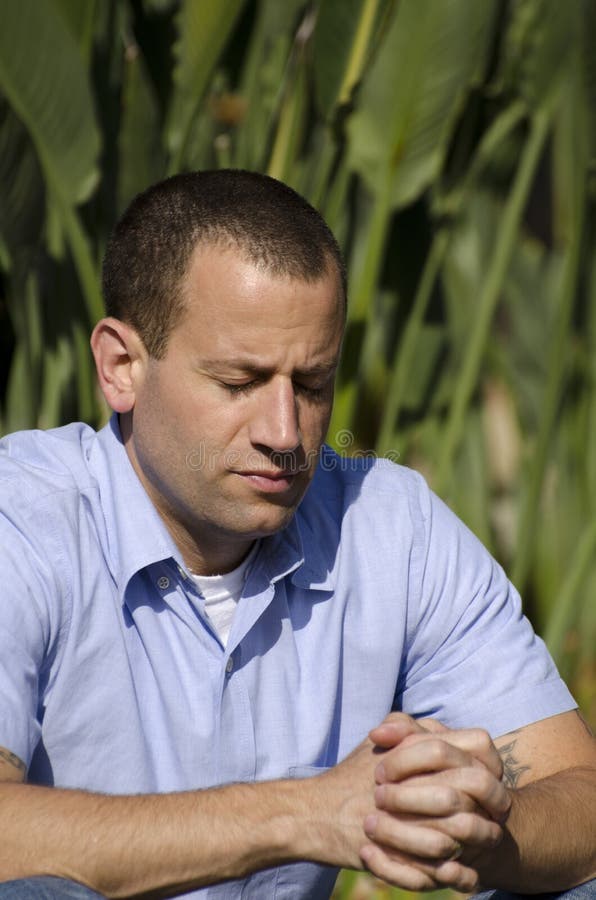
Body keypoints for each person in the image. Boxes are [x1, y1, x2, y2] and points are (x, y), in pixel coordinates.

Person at [0, 170, 594, 900]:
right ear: (121, 367)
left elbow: (580, 796)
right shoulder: (20, 522)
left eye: (312, 385)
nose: (286, 434)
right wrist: (300, 815)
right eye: (240, 382)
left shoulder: (389, 524)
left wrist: (479, 820)